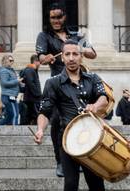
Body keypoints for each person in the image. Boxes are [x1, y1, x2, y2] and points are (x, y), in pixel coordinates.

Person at [35, 41, 110, 191]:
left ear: (81, 56)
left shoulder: (93, 79)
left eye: (75, 53)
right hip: (69, 143)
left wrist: (95, 107)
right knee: (71, 186)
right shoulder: (53, 83)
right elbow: (45, 111)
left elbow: (104, 99)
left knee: (97, 189)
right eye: (67, 54)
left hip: (93, 142)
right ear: (62, 57)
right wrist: (40, 129)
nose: (71, 58)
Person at [36, 4, 97, 177]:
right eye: (52, 18)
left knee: (81, 122)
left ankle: (79, 158)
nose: (55, 21)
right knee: (56, 121)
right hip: (58, 84)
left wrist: (80, 49)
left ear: (64, 17)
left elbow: (92, 53)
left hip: (79, 83)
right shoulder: (44, 36)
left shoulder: (77, 35)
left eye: (58, 17)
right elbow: (41, 57)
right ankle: (60, 161)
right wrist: (45, 58)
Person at [0, 54, 20, 125]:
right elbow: (4, 83)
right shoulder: (4, 71)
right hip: (7, 96)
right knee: (14, 114)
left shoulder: (11, 71)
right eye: (10, 60)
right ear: (5, 61)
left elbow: (12, 82)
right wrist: (17, 81)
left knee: (10, 116)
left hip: (12, 95)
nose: (12, 62)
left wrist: (20, 83)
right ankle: (15, 133)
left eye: (13, 60)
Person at [19, 54, 42, 125]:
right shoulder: (30, 70)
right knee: (34, 115)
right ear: (35, 61)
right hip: (32, 98)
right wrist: (38, 94)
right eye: (39, 62)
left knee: (30, 116)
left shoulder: (32, 70)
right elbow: (31, 83)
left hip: (31, 98)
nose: (40, 64)